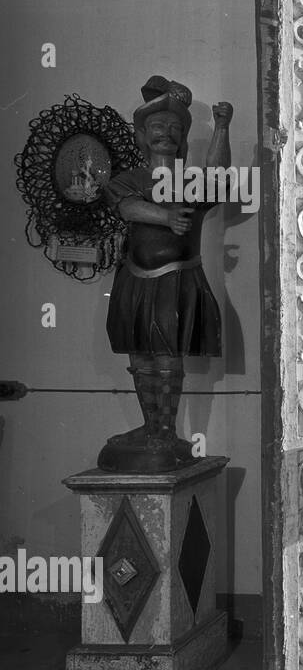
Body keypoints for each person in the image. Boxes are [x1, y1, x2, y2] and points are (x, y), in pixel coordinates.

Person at [98, 76, 231, 472]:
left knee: (168, 355)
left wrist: (222, 128)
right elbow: (126, 206)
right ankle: (151, 427)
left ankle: (166, 431)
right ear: (143, 135)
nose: (166, 134)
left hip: (177, 279)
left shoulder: (190, 180)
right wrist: (165, 215)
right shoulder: (131, 179)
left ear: (183, 137)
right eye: (158, 127)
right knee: (140, 356)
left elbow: (220, 179)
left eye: (175, 128)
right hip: (136, 279)